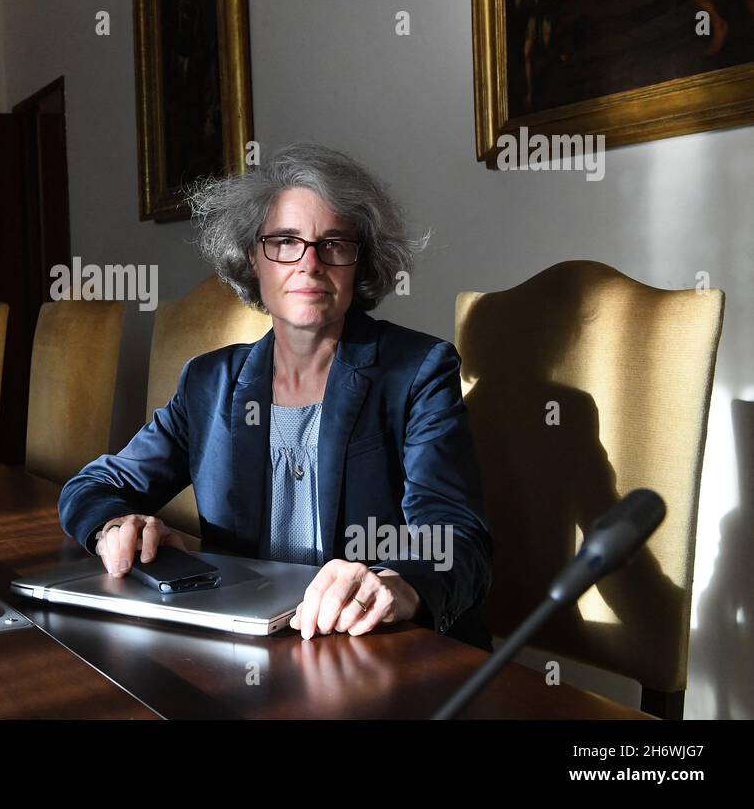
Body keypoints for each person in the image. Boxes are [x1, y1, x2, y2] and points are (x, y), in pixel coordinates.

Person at [57, 144, 493, 650]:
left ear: (361, 263)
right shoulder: (209, 383)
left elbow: (457, 539)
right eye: (285, 242)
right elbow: (93, 484)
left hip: (377, 652)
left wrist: (402, 583)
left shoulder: (418, 371)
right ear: (251, 259)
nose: (309, 264)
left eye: (334, 244)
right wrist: (114, 524)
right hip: (245, 648)